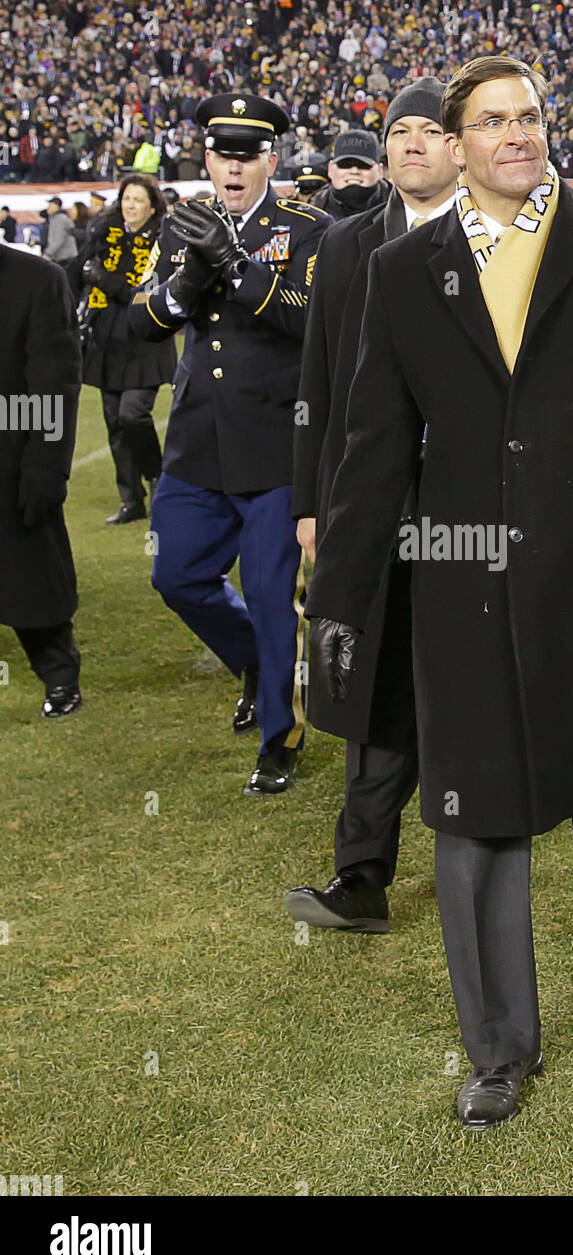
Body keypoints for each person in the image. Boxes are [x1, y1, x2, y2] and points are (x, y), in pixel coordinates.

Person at [304, 56, 573, 1129]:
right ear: (453, 145)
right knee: (475, 817)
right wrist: (340, 609)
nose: (517, 134)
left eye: (531, 115)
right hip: (460, 593)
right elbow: (370, 453)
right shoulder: (403, 278)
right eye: (492, 121)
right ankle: (498, 1046)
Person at [286, 77, 459, 934]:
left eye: (432, 130)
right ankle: (361, 875)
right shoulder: (347, 245)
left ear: (458, 146)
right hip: (371, 504)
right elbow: (316, 382)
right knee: (373, 676)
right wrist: (311, 501)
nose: (414, 145)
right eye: (401, 133)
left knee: (475, 678)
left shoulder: (502, 240)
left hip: (473, 507)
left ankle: (491, 854)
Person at [128, 93, 331, 796]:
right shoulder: (183, 227)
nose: (235, 167)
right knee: (176, 575)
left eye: (250, 155)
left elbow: (311, 323)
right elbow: (143, 323)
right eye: (224, 154)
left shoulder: (309, 228)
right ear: (207, 159)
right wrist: (189, 278)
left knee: (276, 596)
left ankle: (281, 737)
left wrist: (240, 270)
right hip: (197, 442)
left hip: (277, 444)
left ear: (271, 160)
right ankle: (253, 661)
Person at [0, 243, 83, 719]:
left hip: (12, 458)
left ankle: (59, 674)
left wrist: (46, 465)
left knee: (30, 574)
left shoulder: (37, 279)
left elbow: (54, 380)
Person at [81, 173, 176, 524]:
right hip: (108, 339)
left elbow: (144, 290)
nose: (130, 206)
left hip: (146, 340)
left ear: (152, 205)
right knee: (113, 421)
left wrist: (104, 279)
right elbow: (81, 270)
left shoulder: (165, 239)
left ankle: (158, 480)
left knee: (132, 414)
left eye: (137, 200)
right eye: (126, 199)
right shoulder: (104, 232)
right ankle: (131, 499)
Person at [308, 129, 390, 222]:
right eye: (345, 164)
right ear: (330, 169)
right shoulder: (312, 211)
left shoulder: (404, 207)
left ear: (379, 171)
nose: (354, 171)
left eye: (363, 165)